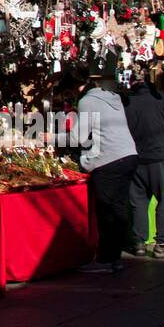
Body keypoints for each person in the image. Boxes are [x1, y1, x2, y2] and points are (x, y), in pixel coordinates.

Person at [69, 65, 139, 274]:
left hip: (109, 160)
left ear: (77, 88)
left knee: (106, 210)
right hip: (129, 155)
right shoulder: (112, 98)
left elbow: (78, 138)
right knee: (119, 208)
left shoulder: (87, 101)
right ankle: (115, 257)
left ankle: (105, 259)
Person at [123, 73, 164, 258]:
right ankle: (162, 244)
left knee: (138, 201)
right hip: (160, 156)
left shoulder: (126, 103)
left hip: (135, 157)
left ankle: (139, 243)